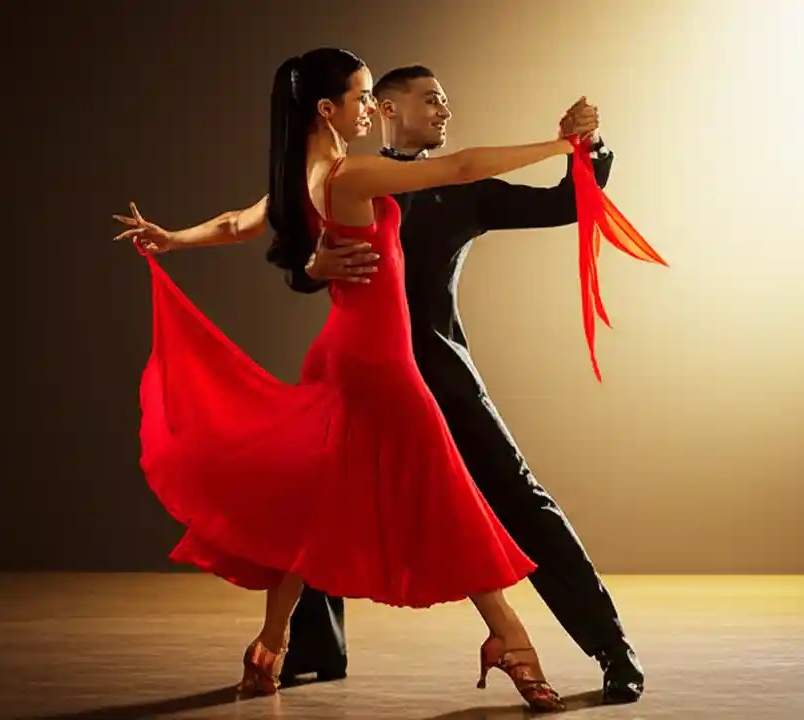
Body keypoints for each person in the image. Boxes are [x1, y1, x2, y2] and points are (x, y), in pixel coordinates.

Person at [112, 47, 604, 711]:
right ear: (327, 108)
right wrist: (557, 144)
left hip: (341, 356)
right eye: (363, 94)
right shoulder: (347, 176)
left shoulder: (298, 175)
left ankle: (270, 648)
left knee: (311, 506)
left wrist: (173, 238)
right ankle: (511, 640)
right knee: (447, 499)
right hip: (380, 366)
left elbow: (235, 224)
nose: (370, 106)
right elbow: (459, 167)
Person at [280, 66, 651, 703]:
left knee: (524, 504)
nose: (445, 110)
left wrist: (587, 149)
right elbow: (299, 252)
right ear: (388, 108)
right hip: (369, 378)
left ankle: (612, 649)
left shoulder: (464, 190)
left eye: (448, 100)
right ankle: (317, 649)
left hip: (443, 377)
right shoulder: (354, 179)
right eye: (430, 100)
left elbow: (564, 204)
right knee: (319, 499)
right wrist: (310, 269)